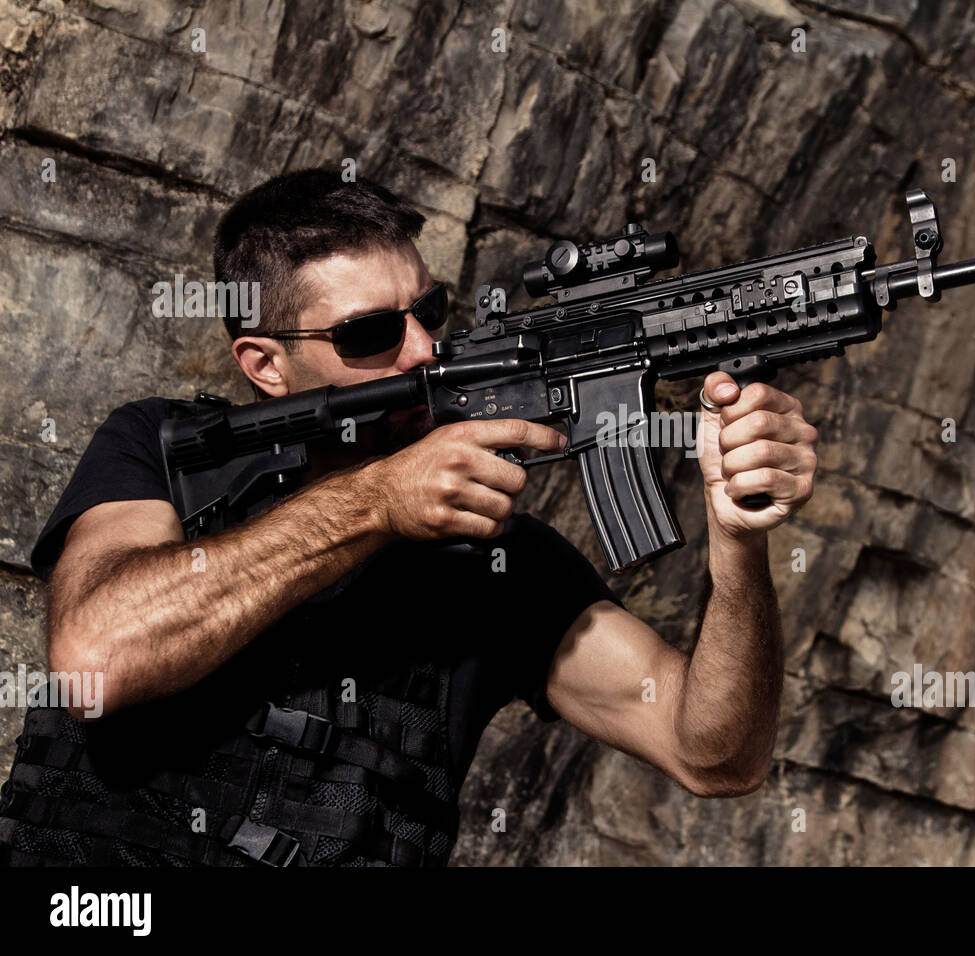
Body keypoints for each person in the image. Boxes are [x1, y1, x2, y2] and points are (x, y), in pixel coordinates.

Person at [0, 169, 820, 866]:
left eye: (428, 309)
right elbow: (96, 659)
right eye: (370, 333)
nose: (423, 348)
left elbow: (714, 754)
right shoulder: (159, 451)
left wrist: (739, 542)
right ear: (266, 364)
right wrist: (377, 503)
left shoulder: (498, 561)